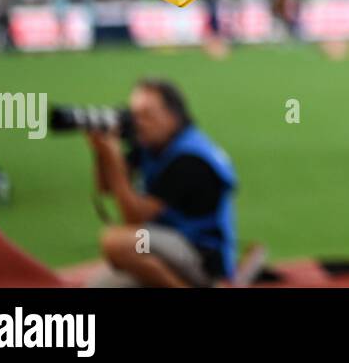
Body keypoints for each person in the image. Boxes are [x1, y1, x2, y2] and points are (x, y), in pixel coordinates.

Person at [86, 79, 237, 287]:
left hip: (200, 255)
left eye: (147, 115)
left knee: (117, 242)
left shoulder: (190, 159)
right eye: (134, 115)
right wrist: (101, 153)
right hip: (163, 247)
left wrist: (113, 156)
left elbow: (133, 218)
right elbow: (105, 188)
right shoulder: (153, 144)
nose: (137, 123)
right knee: (102, 286)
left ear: (172, 116)